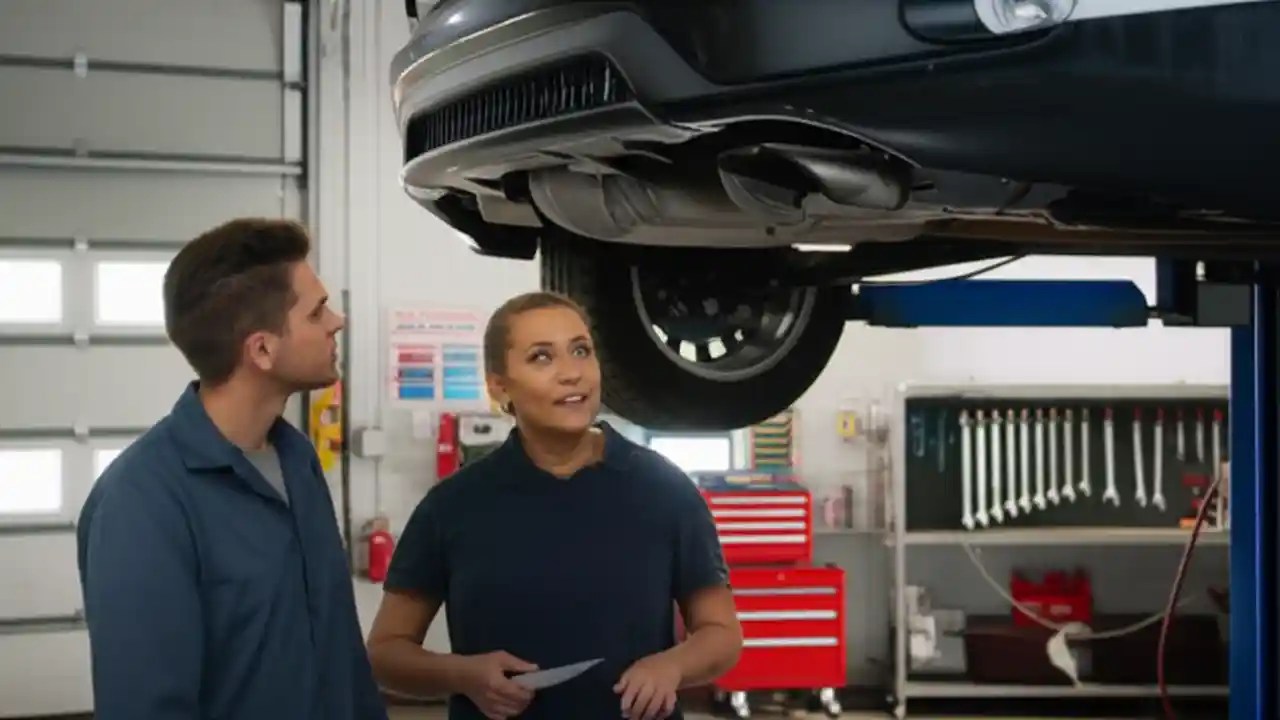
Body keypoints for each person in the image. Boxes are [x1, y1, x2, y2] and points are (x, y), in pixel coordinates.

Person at [365, 291, 744, 720]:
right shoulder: (452, 506)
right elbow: (386, 652)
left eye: (581, 351)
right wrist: (462, 674)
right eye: (542, 358)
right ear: (499, 386)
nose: (572, 374)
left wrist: (671, 666)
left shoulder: (665, 491)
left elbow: (722, 634)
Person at [76, 218, 388, 720]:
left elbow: (341, 650)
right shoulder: (142, 502)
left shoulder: (297, 460)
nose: (338, 321)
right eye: (316, 312)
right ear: (262, 348)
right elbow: (147, 705)